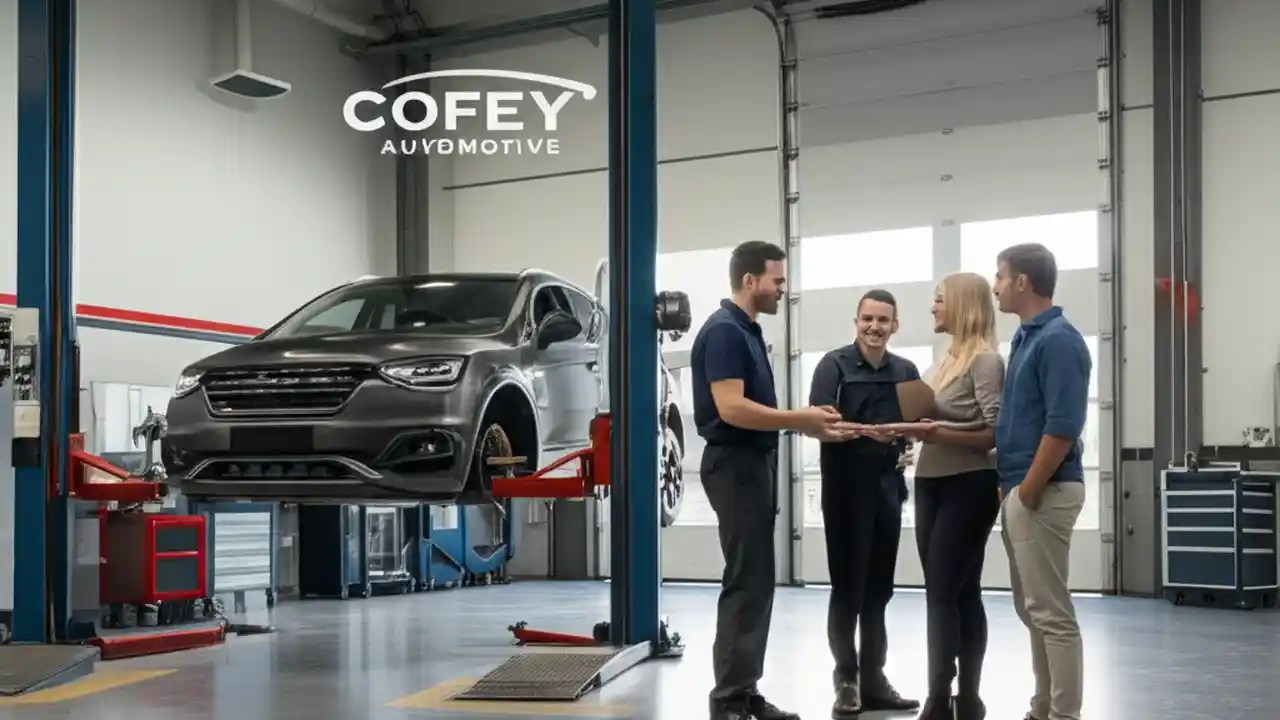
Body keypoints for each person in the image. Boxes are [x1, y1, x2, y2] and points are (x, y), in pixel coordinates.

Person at [691, 240, 845, 720]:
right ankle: (729, 700)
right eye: (777, 280)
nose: (783, 288)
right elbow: (731, 408)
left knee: (758, 582)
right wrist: (799, 419)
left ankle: (744, 690)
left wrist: (798, 419)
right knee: (745, 580)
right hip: (734, 465)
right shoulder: (724, 333)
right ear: (749, 281)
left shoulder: (749, 331)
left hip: (754, 465)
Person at [807, 289, 922, 719]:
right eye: (867, 319)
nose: (875, 327)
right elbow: (820, 425)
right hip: (845, 492)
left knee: (880, 590)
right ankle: (847, 682)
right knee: (848, 589)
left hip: (888, 491)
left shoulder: (906, 371)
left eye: (883, 320)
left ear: (895, 325)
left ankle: (875, 680)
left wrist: (910, 442)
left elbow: (913, 427)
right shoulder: (832, 366)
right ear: (856, 321)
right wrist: (866, 432)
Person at [991, 243, 1091, 720]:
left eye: (1000, 276)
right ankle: (1042, 708)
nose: (995, 286)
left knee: (1051, 614)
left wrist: (1028, 488)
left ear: (1022, 282)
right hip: (1022, 490)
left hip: (1045, 492)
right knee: (1034, 611)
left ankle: (1062, 715)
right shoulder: (1026, 338)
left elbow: (1063, 425)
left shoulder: (1059, 340)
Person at [903, 272, 1005, 720]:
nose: (933, 308)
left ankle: (939, 700)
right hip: (931, 482)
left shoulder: (985, 361)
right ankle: (968, 700)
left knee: (942, 592)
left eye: (940, 300)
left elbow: (994, 433)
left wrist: (936, 430)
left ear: (963, 305)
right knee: (960, 593)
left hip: (969, 484)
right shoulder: (943, 362)